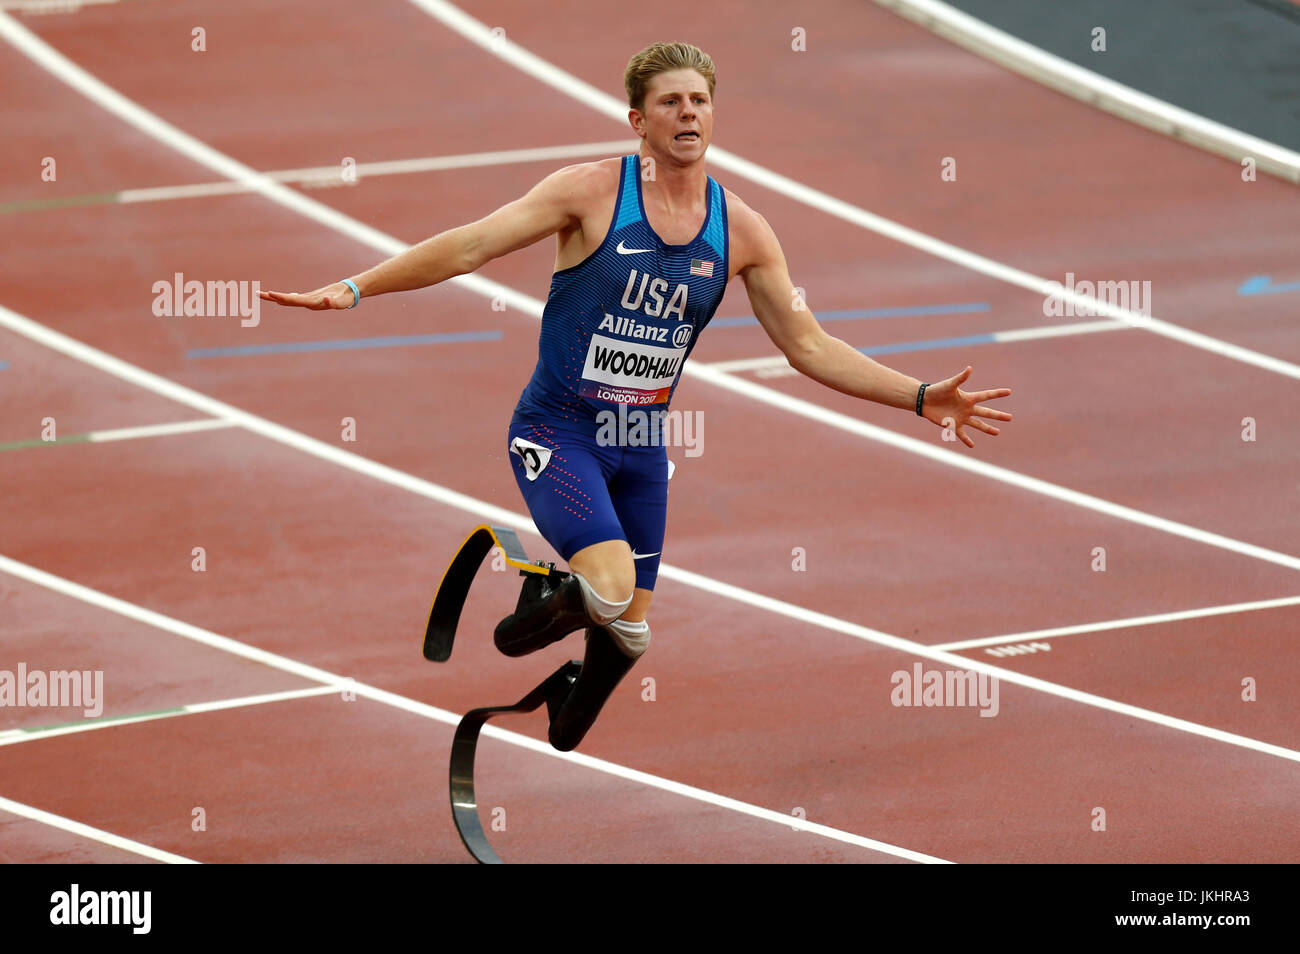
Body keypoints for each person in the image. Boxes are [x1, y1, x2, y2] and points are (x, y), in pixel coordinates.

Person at [261, 41, 1013, 751]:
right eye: (670, 103)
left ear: (713, 115)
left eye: (699, 101)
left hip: (641, 446)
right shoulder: (589, 193)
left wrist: (918, 397)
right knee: (612, 585)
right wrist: (356, 288)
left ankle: (562, 682)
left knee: (630, 632)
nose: (688, 114)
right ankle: (538, 607)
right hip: (559, 432)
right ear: (638, 120)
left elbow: (808, 346)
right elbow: (469, 245)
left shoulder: (741, 230)